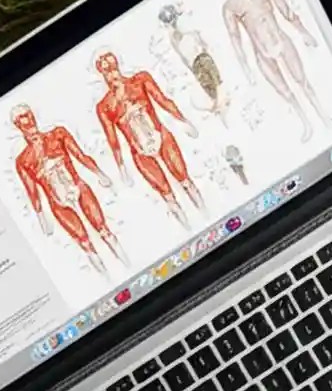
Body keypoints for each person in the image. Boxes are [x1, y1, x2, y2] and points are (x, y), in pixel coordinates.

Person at [222, 0, 332, 141]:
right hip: (262, 52)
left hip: (280, 40)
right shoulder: (230, 5)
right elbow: (235, 38)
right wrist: (246, 68)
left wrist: (304, 32)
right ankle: (306, 123)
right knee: (285, 91)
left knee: (302, 81)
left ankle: (324, 117)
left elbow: (285, 10)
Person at [93, 50, 205, 229]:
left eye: (113, 68)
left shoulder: (140, 81)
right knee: (166, 195)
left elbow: (163, 101)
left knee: (185, 180)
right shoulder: (104, 106)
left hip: (160, 136)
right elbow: (112, 140)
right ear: (102, 74)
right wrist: (122, 167)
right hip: (140, 152)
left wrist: (184, 121)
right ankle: (188, 228)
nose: (111, 74)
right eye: (107, 72)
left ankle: (206, 214)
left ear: (118, 66)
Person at [12, 104, 125, 275]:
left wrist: (99, 173)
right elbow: (32, 191)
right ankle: (109, 278)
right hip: (58, 203)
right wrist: (41, 217)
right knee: (85, 243)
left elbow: (80, 155)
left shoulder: (57, 134)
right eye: (24, 121)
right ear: (18, 126)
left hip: (78, 186)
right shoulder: (23, 160)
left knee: (104, 230)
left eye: (30, 117)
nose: (29, 123)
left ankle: (126, 265)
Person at [158, 4, 230, 122]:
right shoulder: (179, 33)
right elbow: (193, 47)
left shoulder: (177, 34)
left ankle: (220, 106)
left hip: (198, 60)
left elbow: (185, 54)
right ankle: (219, 106)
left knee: (213, 85)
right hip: (199, 59)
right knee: (213, 85)